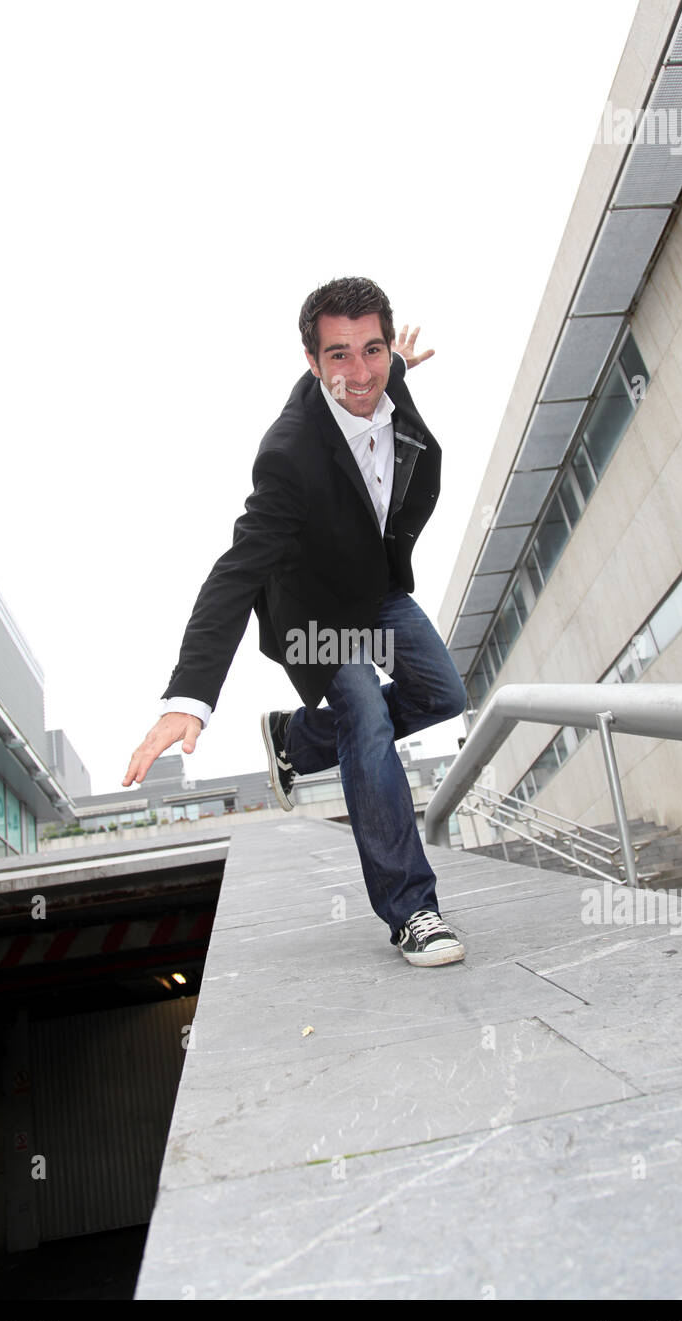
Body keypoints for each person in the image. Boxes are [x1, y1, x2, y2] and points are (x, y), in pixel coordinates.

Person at [123, 277, 467, 966]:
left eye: (373, 351)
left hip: (374, 585)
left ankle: (298, 739)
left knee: (444, 696)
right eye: (338, 357)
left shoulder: (381, 374)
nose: (360, 374)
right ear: (311, 363)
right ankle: (412, 910)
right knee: (367, 716)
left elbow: (383, 373)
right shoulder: (289, 455)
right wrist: (189, 696)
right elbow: (237, 570)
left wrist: (398, 360)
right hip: (312, 607)